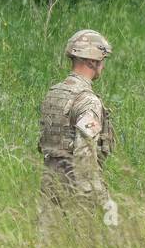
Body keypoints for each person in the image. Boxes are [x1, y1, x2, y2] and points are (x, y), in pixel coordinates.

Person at [39, 29, 114, 205]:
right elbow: (84, 153)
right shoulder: (88, 101)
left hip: (49, 186)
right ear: (92, 61)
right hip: (76, 193)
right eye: (102, 61)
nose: (102, 65)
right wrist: (101, 199)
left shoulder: (54, 93)